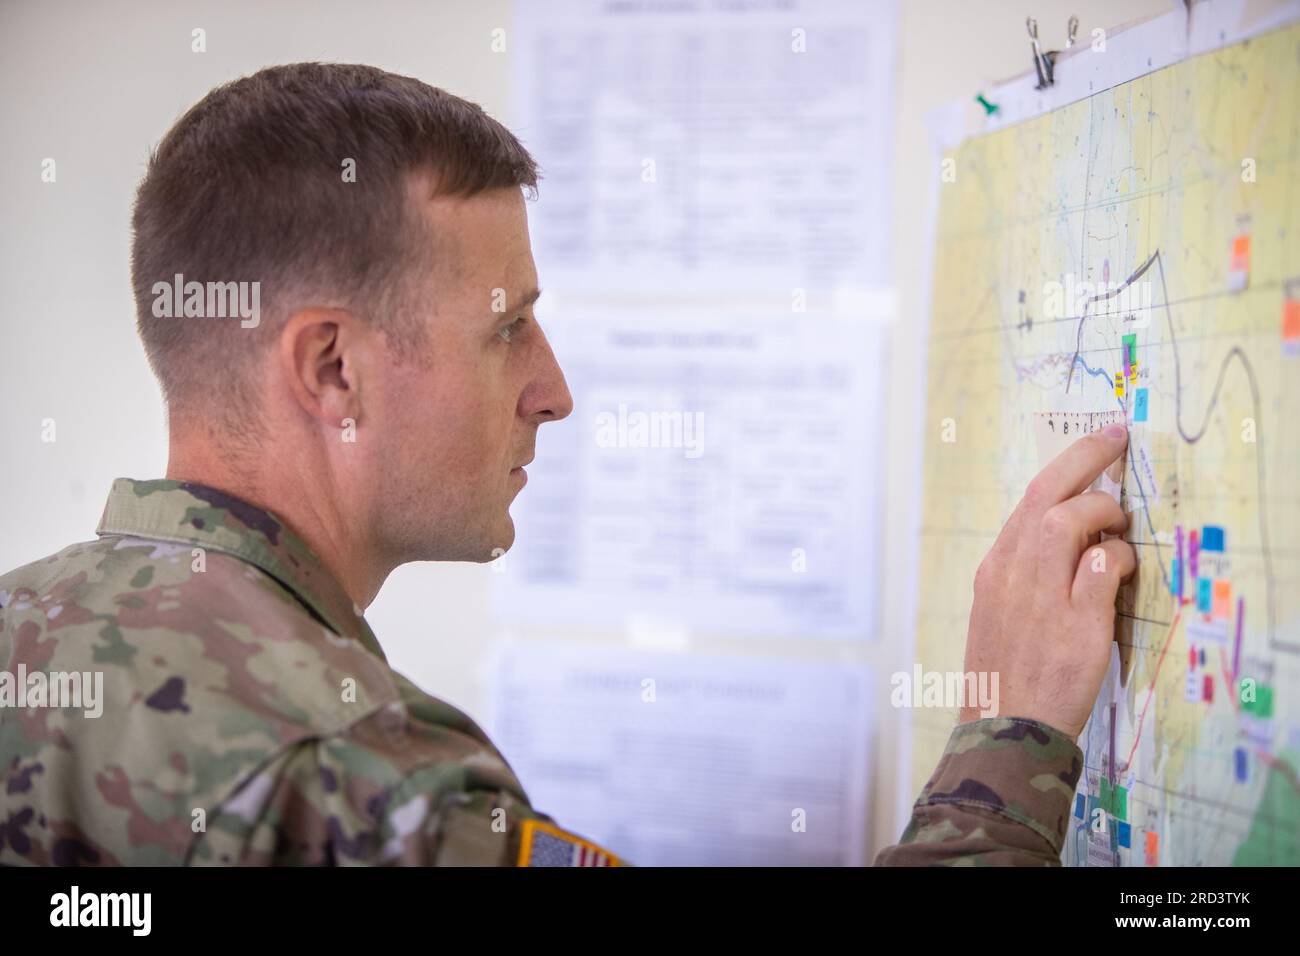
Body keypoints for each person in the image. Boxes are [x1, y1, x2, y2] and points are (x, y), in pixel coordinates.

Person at [0, 63, 1133, 867]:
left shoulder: (19, 625)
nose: (554, 389)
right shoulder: (367, 776)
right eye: (507, 328)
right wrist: (1009, 733)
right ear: (333, 368)